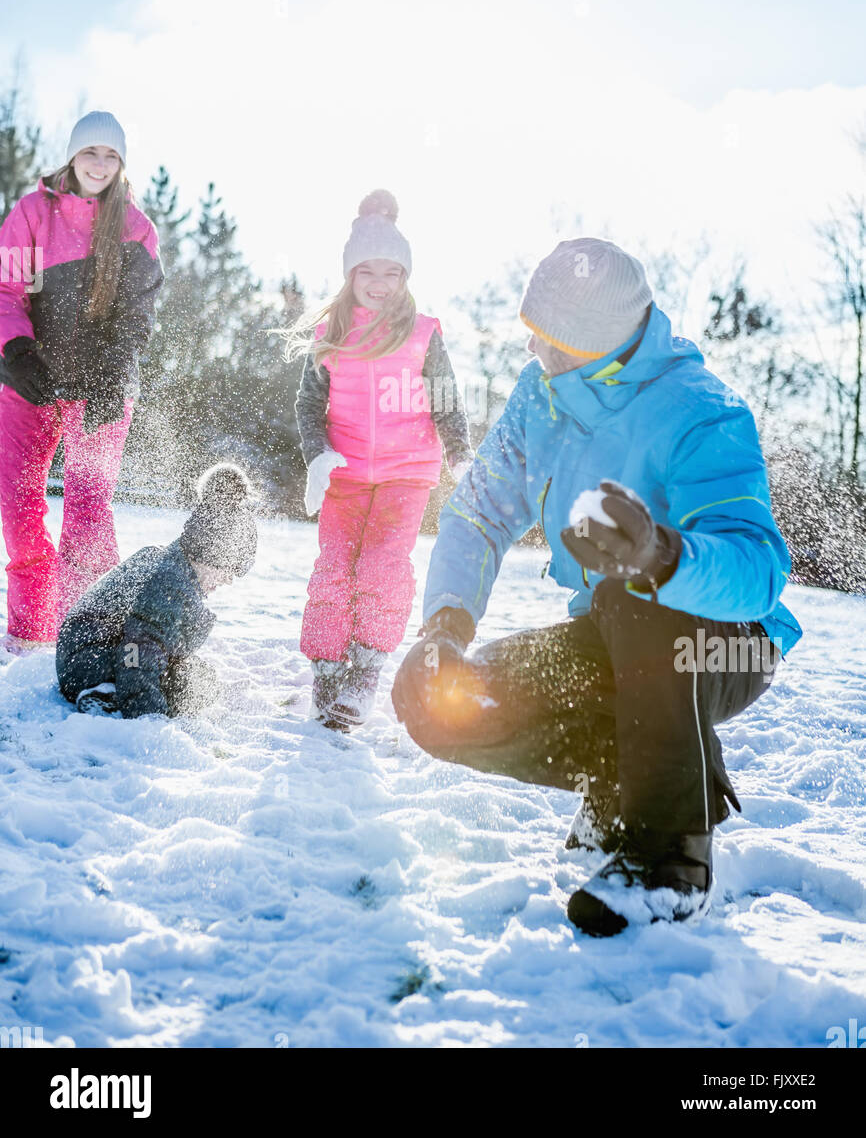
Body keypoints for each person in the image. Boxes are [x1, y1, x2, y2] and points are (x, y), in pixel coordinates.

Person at [391, 237, 803, 937]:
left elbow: (759, 571)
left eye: (547, 340)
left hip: (729, 648)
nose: (531, 351)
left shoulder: (701, 411)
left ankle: (671, 859)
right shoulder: (541, 395)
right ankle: (623, 785)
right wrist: (444, 627)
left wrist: (660, 554)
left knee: (633, 600)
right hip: (619, 639)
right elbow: (477, 511)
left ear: (599, 345)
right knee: (444, 700)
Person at [289, 189, 473, 732]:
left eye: (390, 271)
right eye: (366, 269)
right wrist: (318, 455)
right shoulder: (331, 334)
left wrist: (461, 454)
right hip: (345, 474)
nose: (378, 281)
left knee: (382, 565)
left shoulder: (422, 333)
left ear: (405, 276)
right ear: (349, 275)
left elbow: (445, 398)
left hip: (406, 473)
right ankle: (327, 670)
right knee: (334, 570)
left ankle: (365, 671)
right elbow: (308, 405)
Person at [0, 112, 164, 659]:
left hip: (103, 385)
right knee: (20, 507)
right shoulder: (31, 213)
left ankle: (89, 639)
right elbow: (5, 292)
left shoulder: (135, 228)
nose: (100, 164)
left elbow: (137, 316)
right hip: (31, 380)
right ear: (72, 156)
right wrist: (16, 352)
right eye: (91, 152)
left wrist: (111, 377)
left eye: (111, 156)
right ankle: (31, 636)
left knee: (87, 516)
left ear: (121, 165)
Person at [56, 464, 257, 719]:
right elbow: (139, 651)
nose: (229, 580)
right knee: (172, 685)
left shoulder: (179, 571)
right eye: (228, 569)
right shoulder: (168, 582)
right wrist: (150, 719)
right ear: (207, 554)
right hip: (87, 661)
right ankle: (104, 694)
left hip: (101, 652)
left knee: (196, 681)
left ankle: (119, 691)